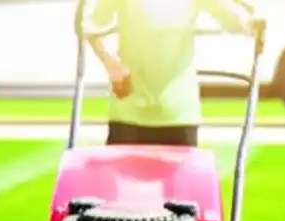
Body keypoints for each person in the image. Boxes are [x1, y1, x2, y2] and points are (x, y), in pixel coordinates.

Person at [84, 0, 255, 147]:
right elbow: (90, 26)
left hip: (179, 114)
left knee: (182, 186)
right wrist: (111, 64)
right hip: (129, 111)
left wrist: (253, 24)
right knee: (124, 185)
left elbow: (236, 21)